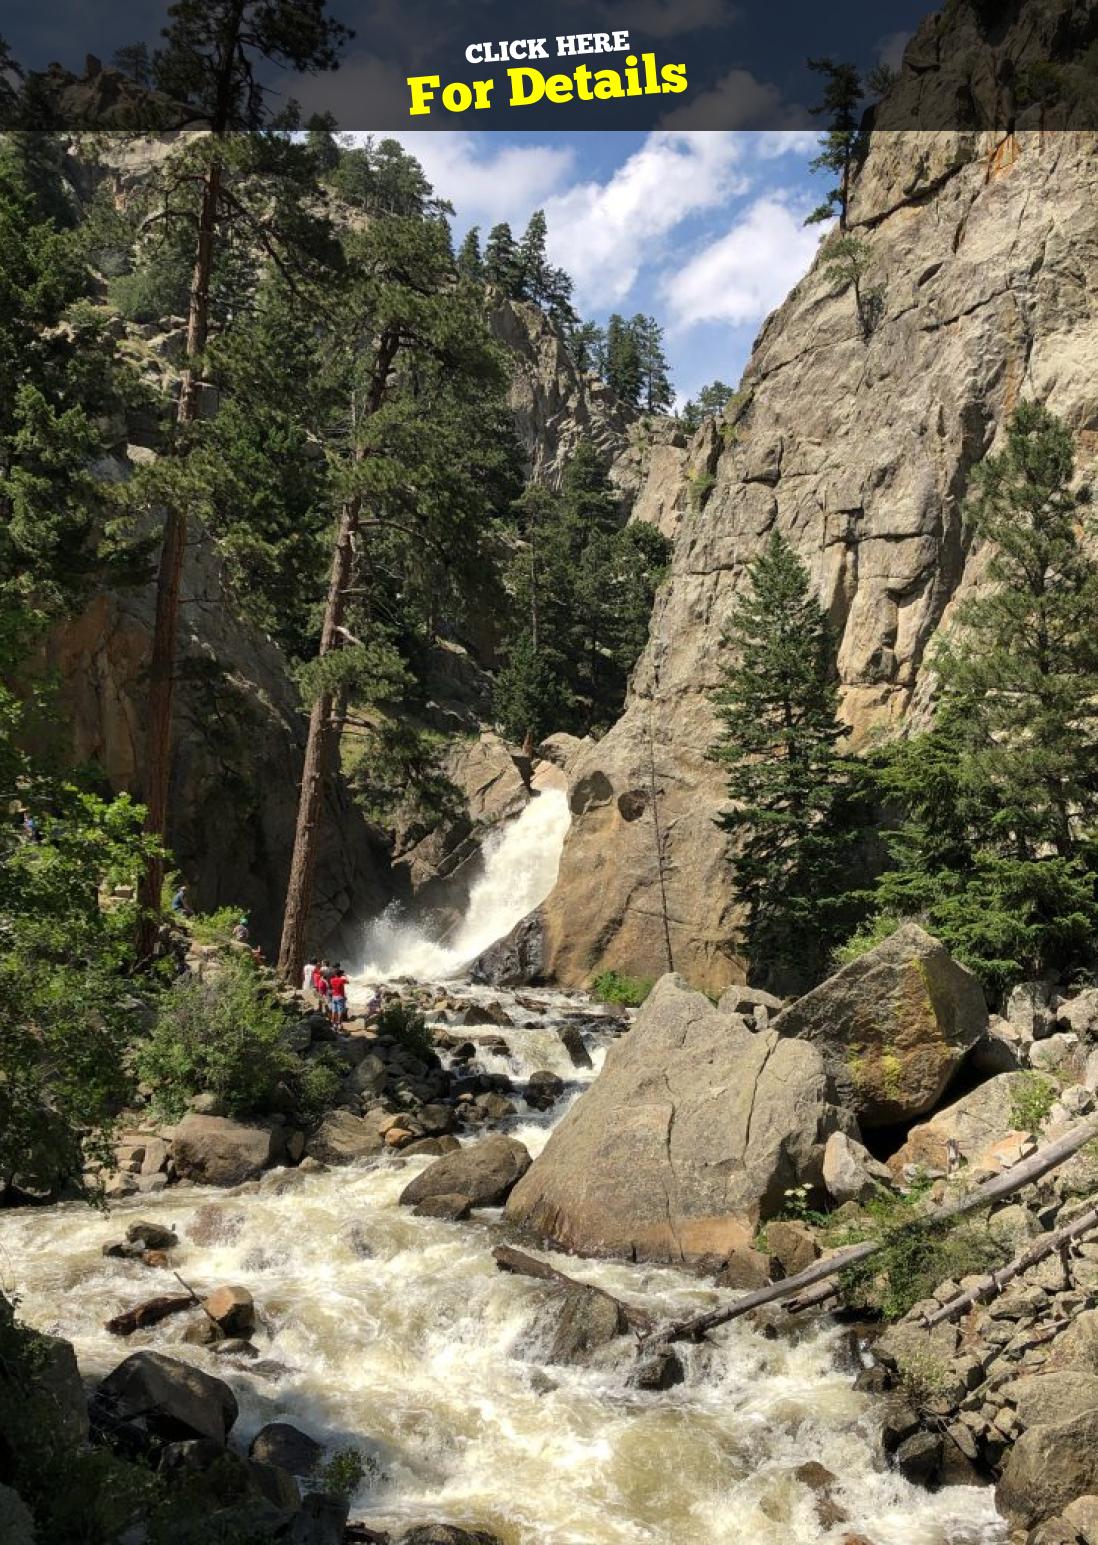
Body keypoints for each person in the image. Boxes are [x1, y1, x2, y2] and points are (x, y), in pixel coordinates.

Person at [328, 963, 349, 1028]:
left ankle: (333, 1023)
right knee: (340, 1011)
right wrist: (345, 976)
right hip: (340, 996)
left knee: (334, 1010)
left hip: (334, 996)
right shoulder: (341, 980)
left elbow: (331, 986)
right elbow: (348, 981)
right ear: (340, 975)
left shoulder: (332, 980)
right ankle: (339, 1024)